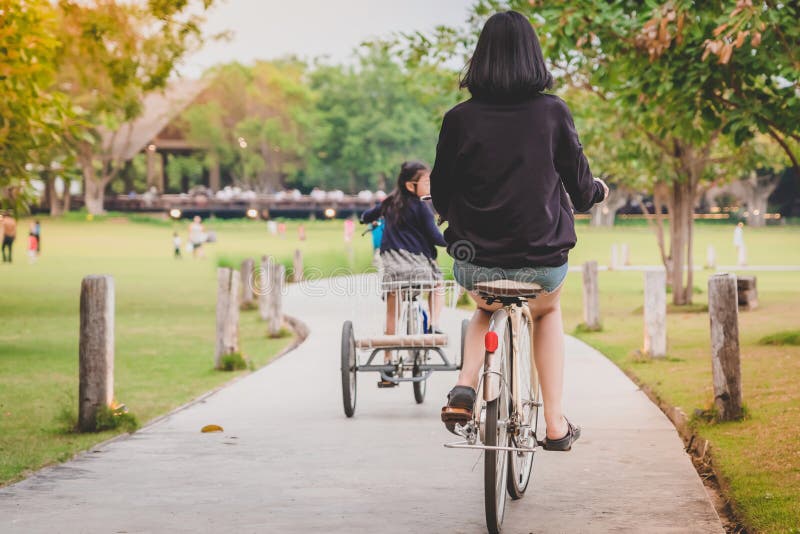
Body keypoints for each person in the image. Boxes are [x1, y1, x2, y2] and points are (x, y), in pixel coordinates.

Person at [431, 11, 608, 451]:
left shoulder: (459, 119)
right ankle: (555, 424)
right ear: (534, 56)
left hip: (476, 262)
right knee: (546, 312)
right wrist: (598, 191)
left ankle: (465, 385)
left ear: (480, 58)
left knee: (484, 308)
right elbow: (581, 190)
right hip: (541, 262)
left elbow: (440, 191)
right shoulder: (553, 113)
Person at [361, 161, 447, 387]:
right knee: (438, 284)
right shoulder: (422, 208)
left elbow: (367, 215)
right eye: (426, 182)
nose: (429, 186)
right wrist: (454, 240)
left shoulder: (388, 203)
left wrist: (367, 219)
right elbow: (435, 238)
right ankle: (433, 324)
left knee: (392, 314)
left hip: (394, 269)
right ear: (411, 186)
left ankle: (388, 362)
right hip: (419, 268)